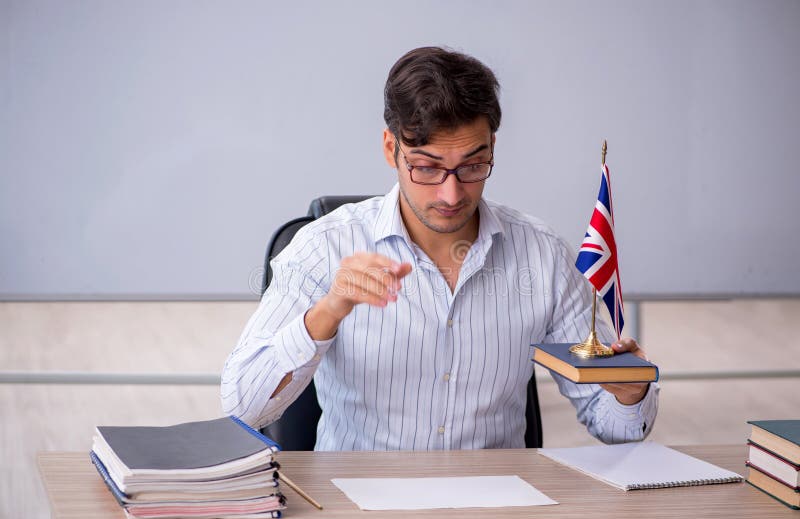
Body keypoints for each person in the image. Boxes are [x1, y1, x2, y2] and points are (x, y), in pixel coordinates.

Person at [221, 46, 658, 450]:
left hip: (498, 506)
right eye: (428, 168)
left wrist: (630, 392)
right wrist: (327, 313)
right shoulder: (322, 248)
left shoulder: (542, 256)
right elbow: (245, 408)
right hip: (360, 505)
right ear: (391, 148)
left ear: (492, 148)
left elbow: (617, 429)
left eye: (472, 165)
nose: (451, 195)